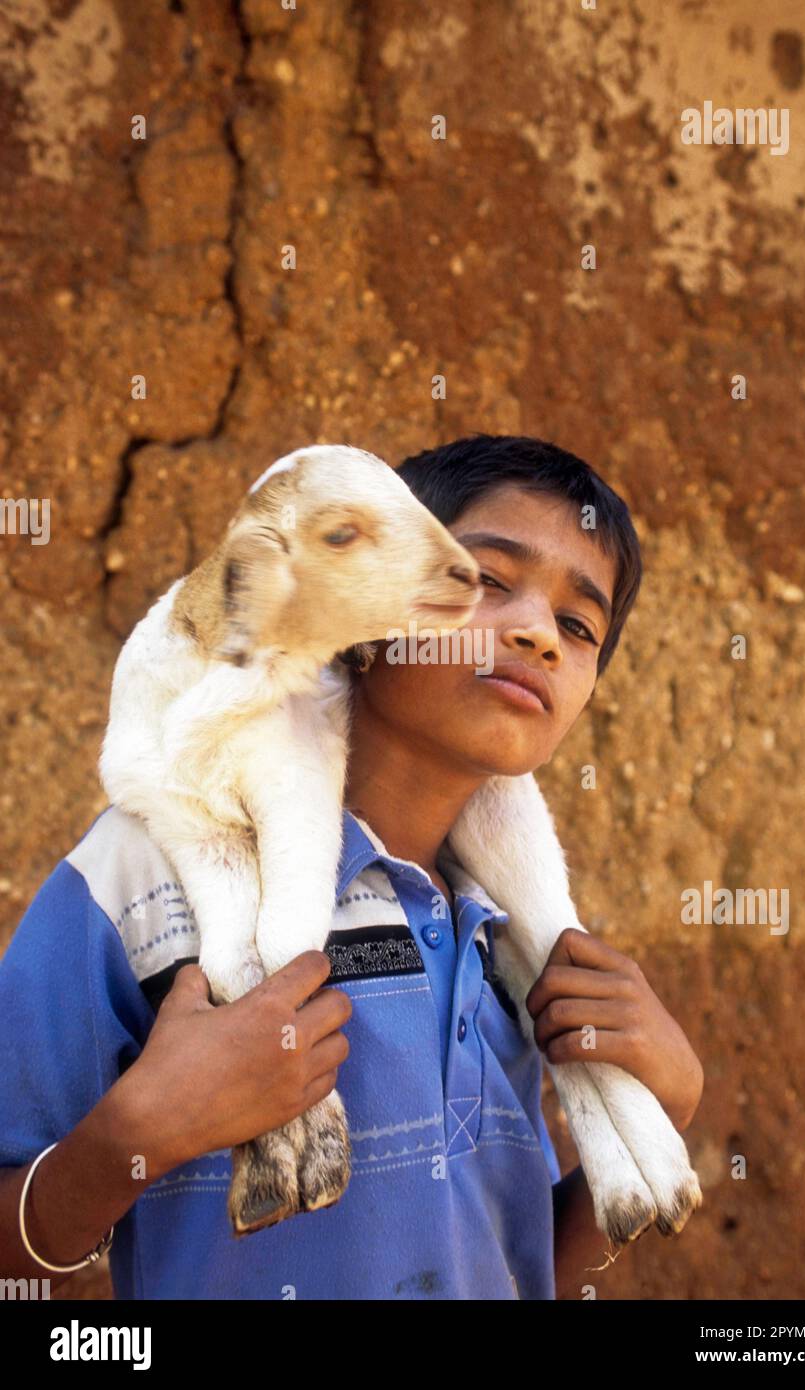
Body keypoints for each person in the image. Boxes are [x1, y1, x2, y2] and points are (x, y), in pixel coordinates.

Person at [0, 433, 703, 1300]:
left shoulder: (511, 944)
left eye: (578, 625)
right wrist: (136, 1133)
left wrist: (661, 1109)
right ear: (365, 616)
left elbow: (507, 1261)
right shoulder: (148, 876)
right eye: (485, 580)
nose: (537, 634)